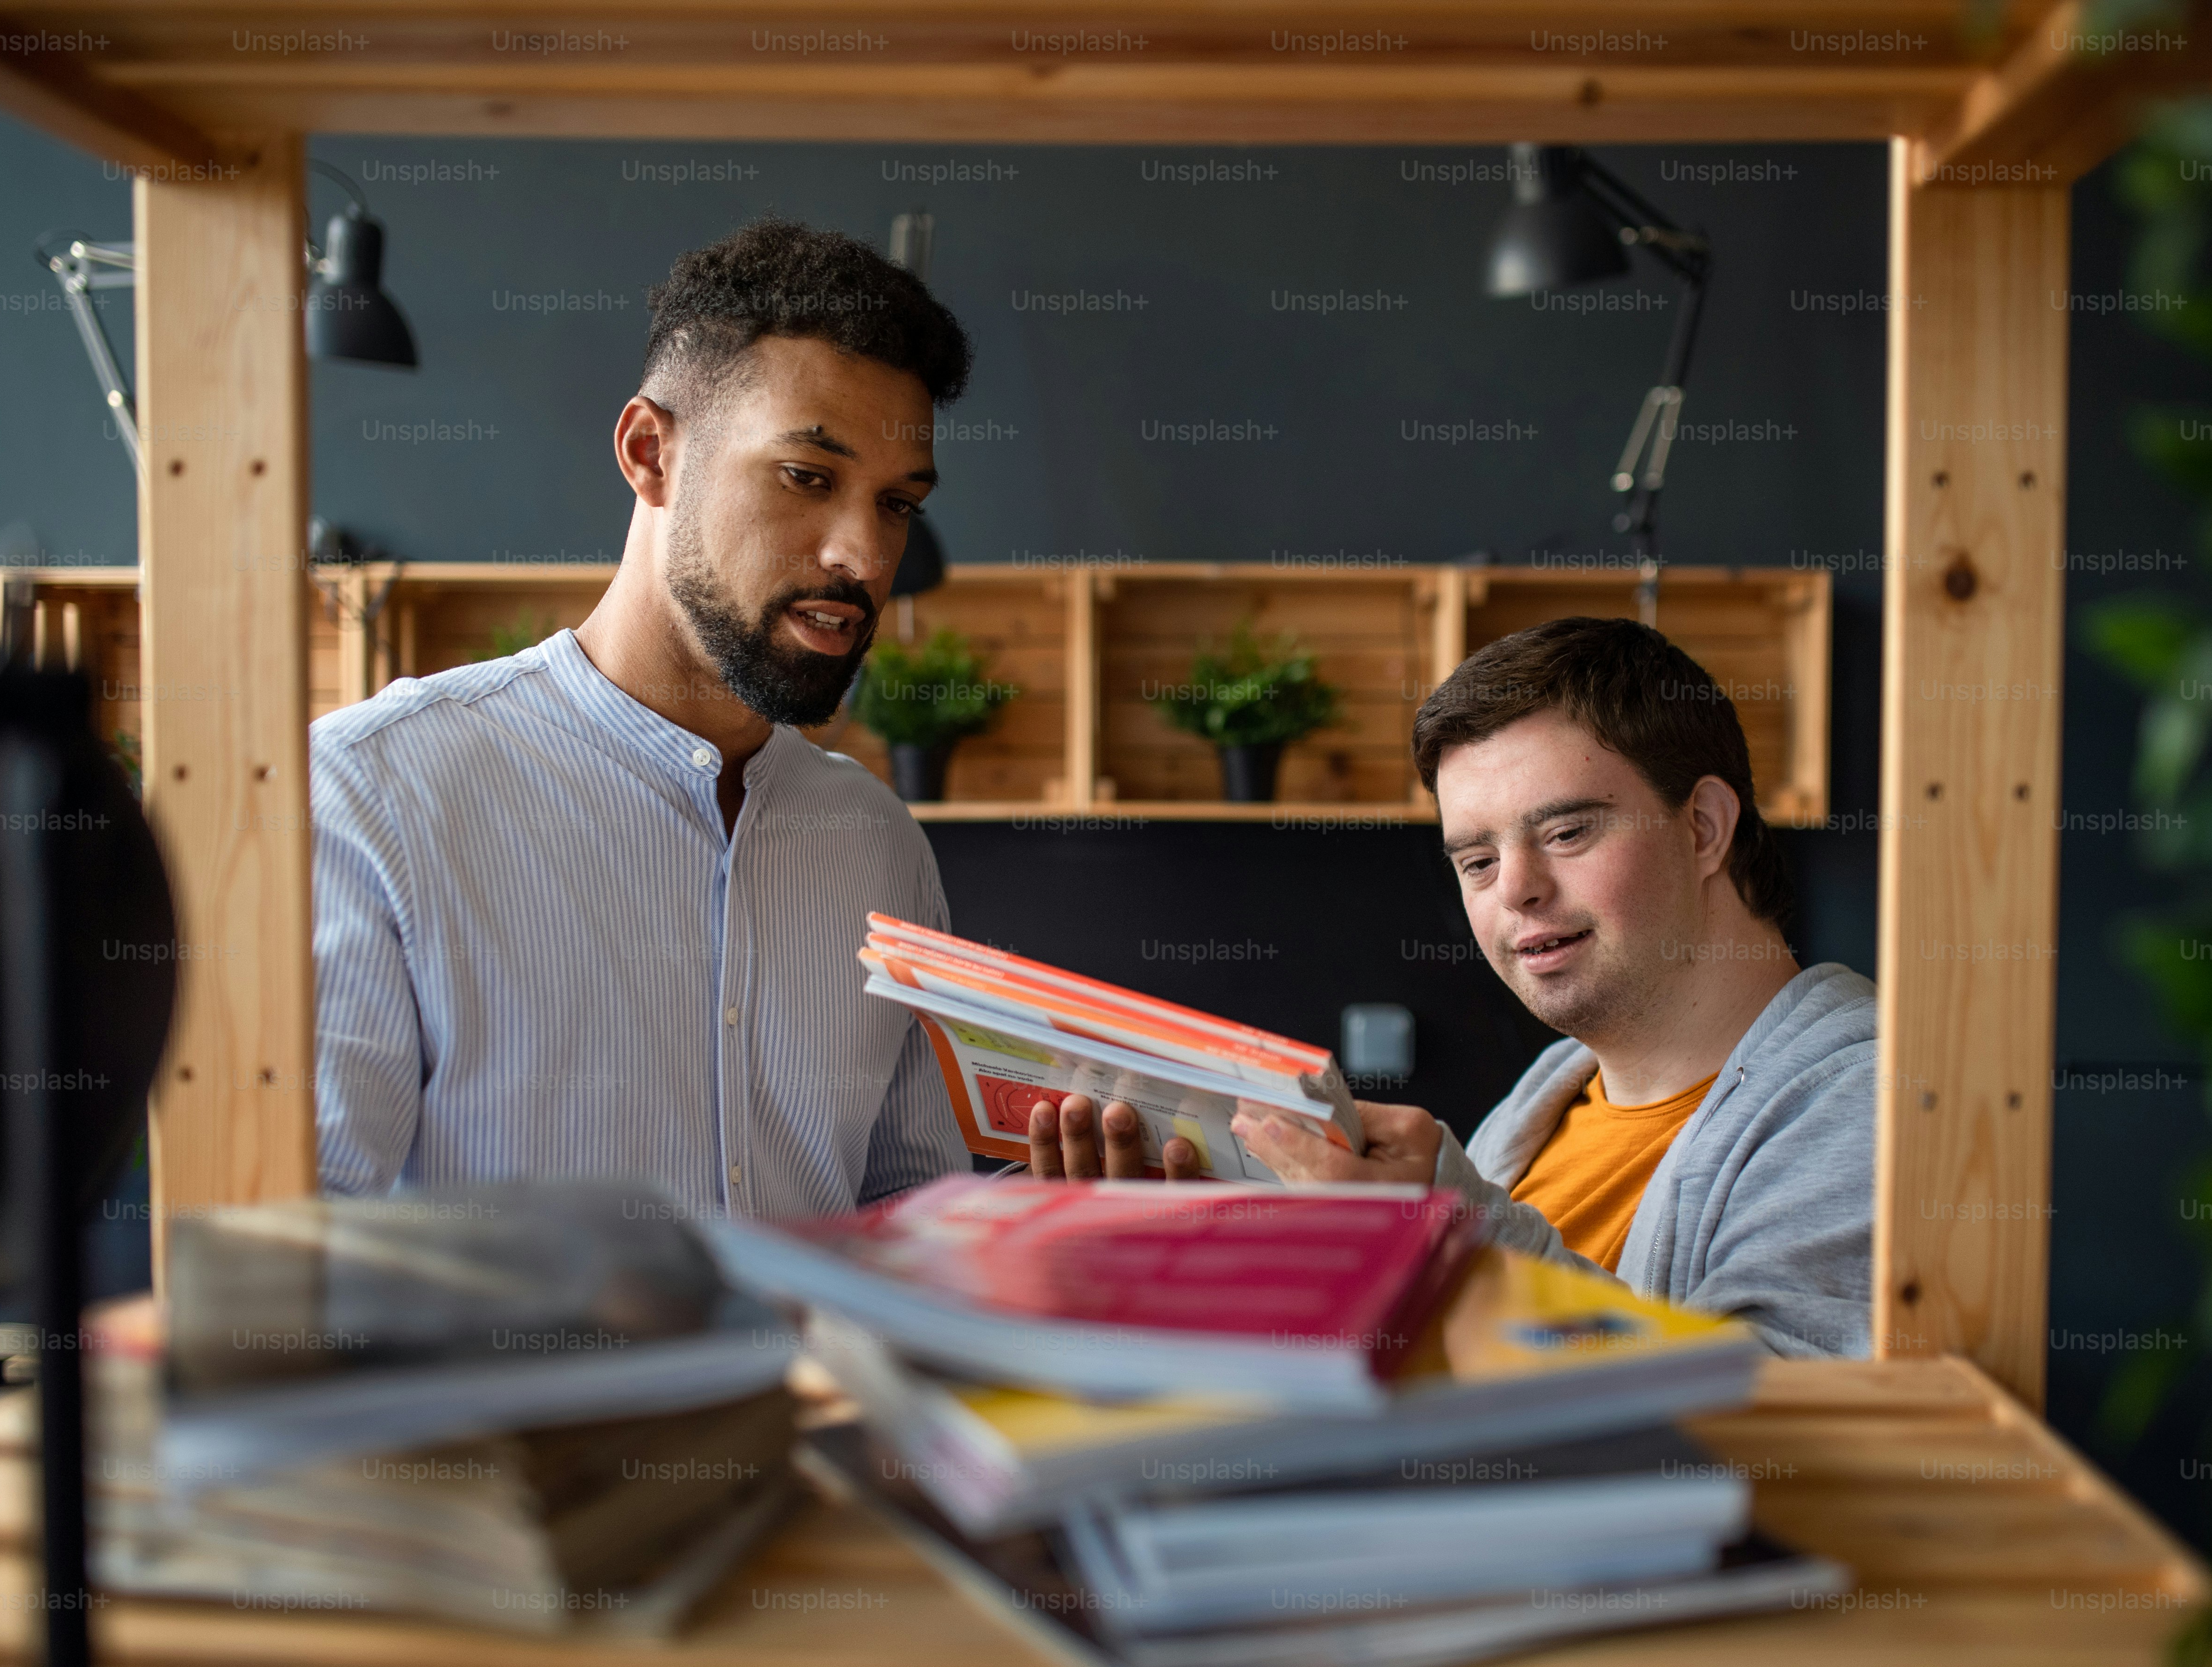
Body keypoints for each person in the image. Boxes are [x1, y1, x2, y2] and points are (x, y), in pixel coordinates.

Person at [311, 217, 977, 1214]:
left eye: (897, 504)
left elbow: (918, 1223)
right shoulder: (374, 796)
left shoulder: (878, 844)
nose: (864, 557)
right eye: (808, 477)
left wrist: (1085, 1205)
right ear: (649, 451)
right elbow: (288, 1254)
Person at [1027, 616, 1876, 1358]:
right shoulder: (1538, 1109)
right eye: (1477, 860)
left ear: (1703, 828)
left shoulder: (1872, 1102)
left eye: (1568, 831)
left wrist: (1444, 1232)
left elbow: (1777, 1430)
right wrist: (1182, 1256)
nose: (1516, 888)